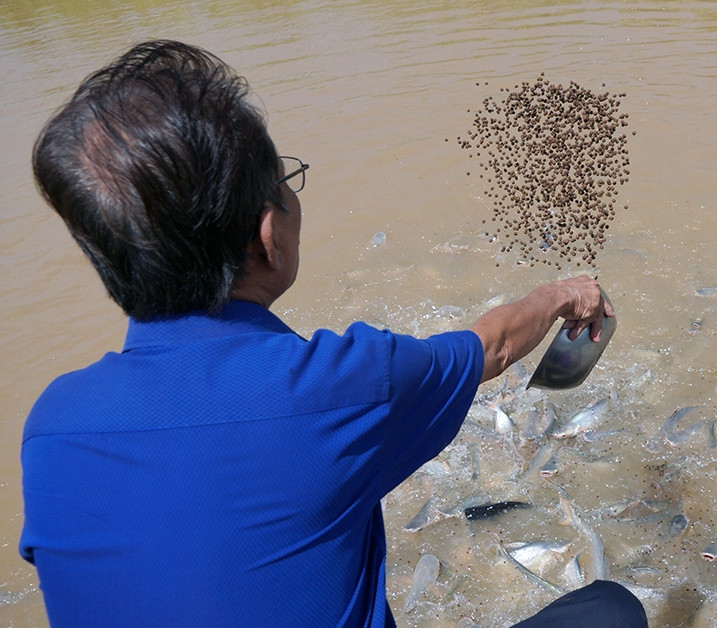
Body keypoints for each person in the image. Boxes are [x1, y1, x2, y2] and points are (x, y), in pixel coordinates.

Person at [20, 40, 647, 628]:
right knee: (611, 611)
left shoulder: (50, 427)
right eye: (287, 184)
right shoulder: (335, 386)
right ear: (268, 235)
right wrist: (566, 293)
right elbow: (493, 347)